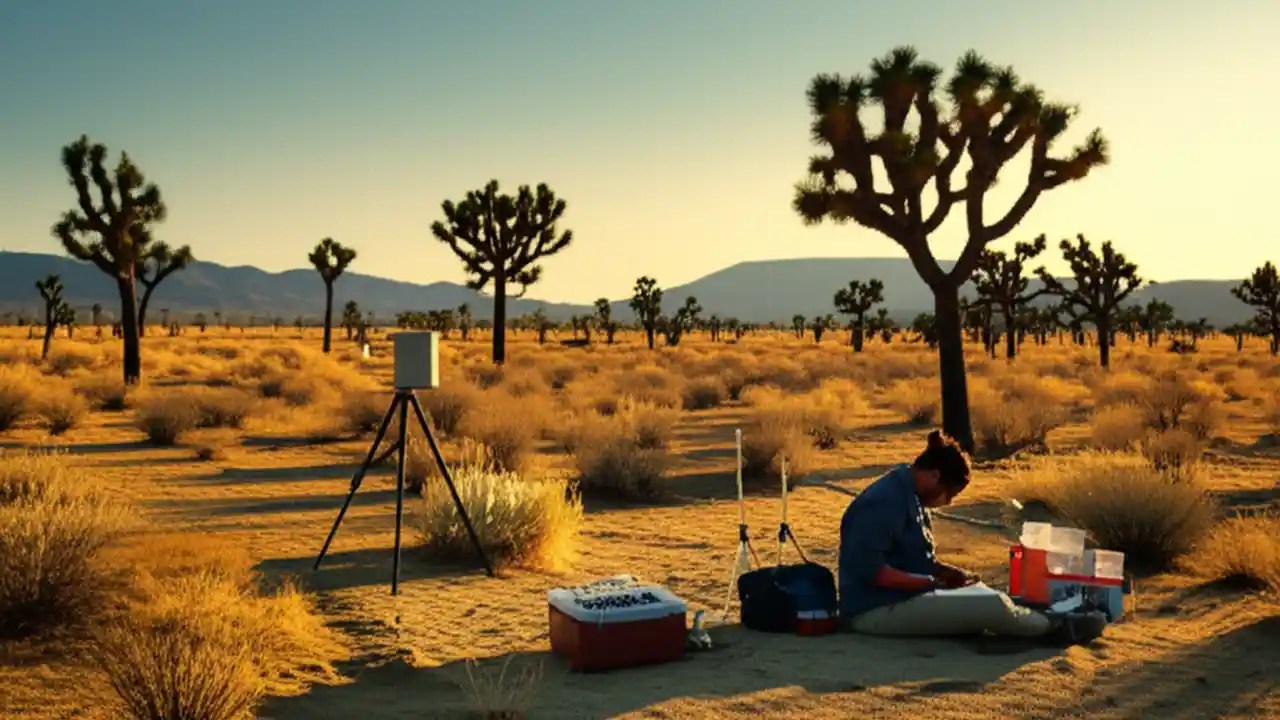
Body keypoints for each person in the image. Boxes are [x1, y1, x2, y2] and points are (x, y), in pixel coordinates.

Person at [837, 430, 1104, 644]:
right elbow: (872, 572)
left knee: (981, 592)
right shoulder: (883, 502)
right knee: (992, 605)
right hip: (874, 610)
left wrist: (944, 572)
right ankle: (1056, 628)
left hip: (904, 598)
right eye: (950, 494)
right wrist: (930, 583)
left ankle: (1041, 613)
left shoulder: (910, 495)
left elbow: (908, 557)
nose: (948, 502)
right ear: (934, 476)